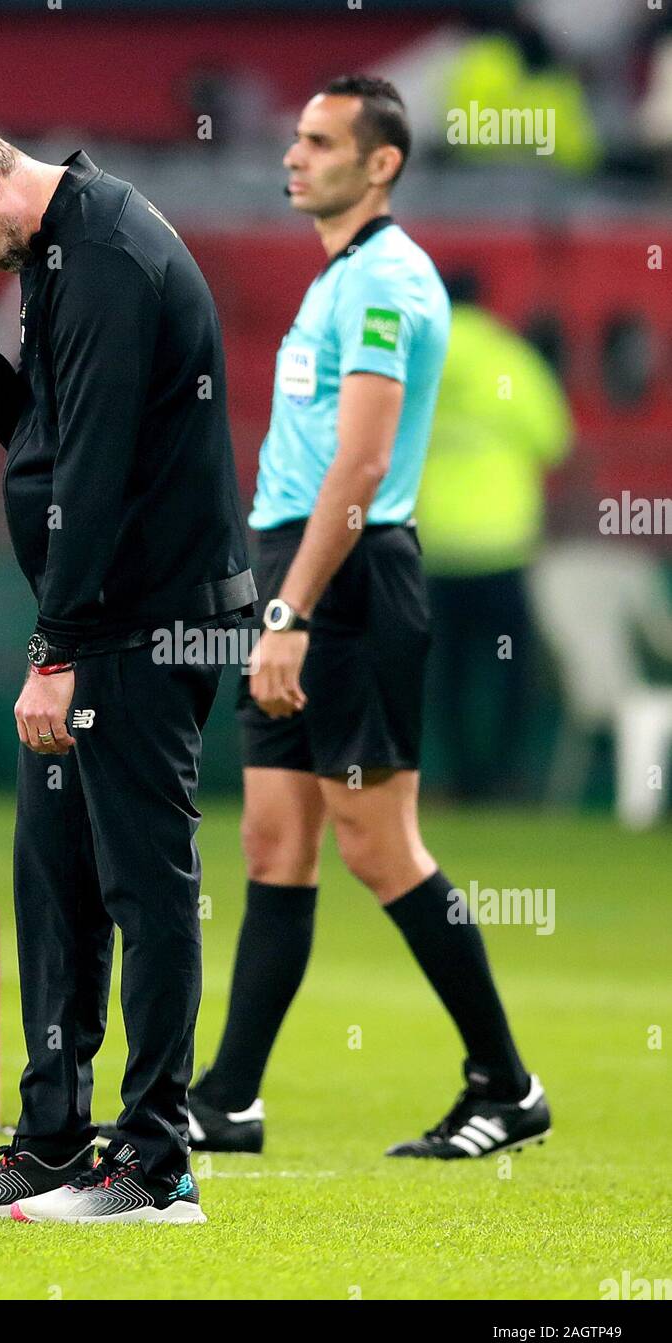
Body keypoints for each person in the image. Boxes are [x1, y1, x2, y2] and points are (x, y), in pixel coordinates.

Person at [147, 76, 551, 1160]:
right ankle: (228, 1098)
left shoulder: (388, 284)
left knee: (380, 845)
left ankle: (505, 1084)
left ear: (382, 164)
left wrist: (288, 613)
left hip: (350, 588)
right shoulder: (340, 279)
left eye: (321, 141)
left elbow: (363, 466)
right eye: (296, 136)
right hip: (302, 573)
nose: (295, 154)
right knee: (276, 838)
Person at [0, 112, 256, 1223]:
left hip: (145, 620)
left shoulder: (102, 259)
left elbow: (89, 478)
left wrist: (57, 652)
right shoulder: (59, 251)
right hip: (104, 619)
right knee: (56, 884)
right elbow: (46, 442)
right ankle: (50, 1142)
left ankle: (156, 1160)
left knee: (145, 883)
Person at [418, 272, 572, 800]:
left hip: (435, 545)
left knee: (449, 673)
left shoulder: (415, 359)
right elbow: (555, 440)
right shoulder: (510, 359)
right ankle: (506, 777)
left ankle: (457, 780)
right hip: (501, 543)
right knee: (509, 670)